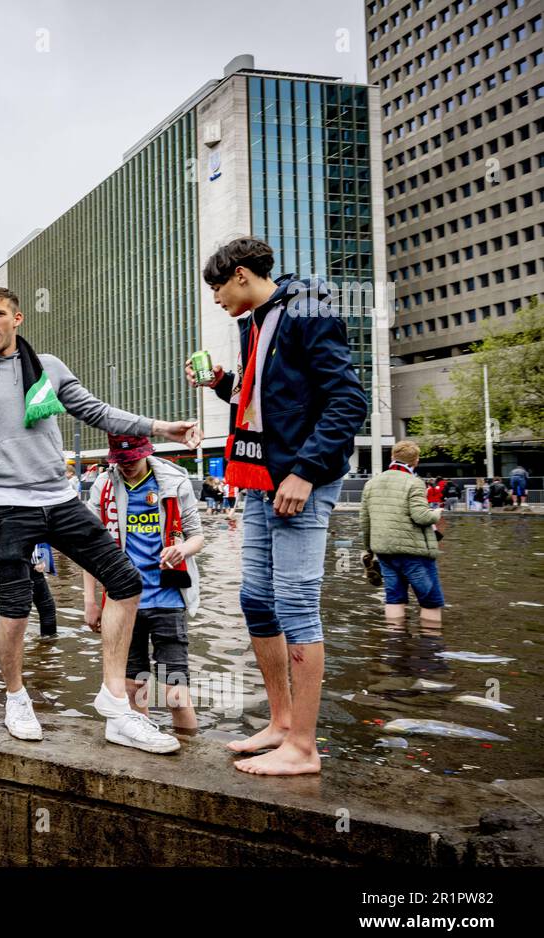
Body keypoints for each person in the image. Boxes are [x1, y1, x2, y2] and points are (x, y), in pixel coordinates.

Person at [0, 287, 198, 748]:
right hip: (7, 505)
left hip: (61, 500)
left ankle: (115, 704)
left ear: (17, 318)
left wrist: (160, 428)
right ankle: (16, 697)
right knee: (15, 609)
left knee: (126, 582)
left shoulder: (47, 367)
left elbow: (98, 412)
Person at [187, 236, 367, 775]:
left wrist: (306, 472)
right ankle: (282, 723)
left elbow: (348, 400)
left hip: (298, 479)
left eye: (217, 286)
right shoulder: (254, 322)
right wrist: (221, 383)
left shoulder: (307, 310)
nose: (215, 297)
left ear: (241, 275)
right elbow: (265, 396)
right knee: (255, 600)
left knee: (295, 604)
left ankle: (304, 749)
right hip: (262, 475)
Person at [84, 436, 205, 733]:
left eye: (132, 461)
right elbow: (88, 547)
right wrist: (89, 602)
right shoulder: (104, 486)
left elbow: (197, 537)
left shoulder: (173, 482)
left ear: (147, 453)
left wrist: (182, 550)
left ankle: (190, 755)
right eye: (120, 462)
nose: (126, 467)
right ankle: (144, 742)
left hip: (168, 599)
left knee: (175, 693)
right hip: (123, 602)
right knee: (133, 687)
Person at [360, 440, 444, 628]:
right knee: (430, 600)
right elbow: (421, 516)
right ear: (416, 461)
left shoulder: (371, 484)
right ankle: (431, 645)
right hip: (413, 552)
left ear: (392, 457)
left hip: (384, 552)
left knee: (394, 598)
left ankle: (395, 643)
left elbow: (365, 522)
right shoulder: (414, 482)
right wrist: (436, 514)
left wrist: (369, 550)